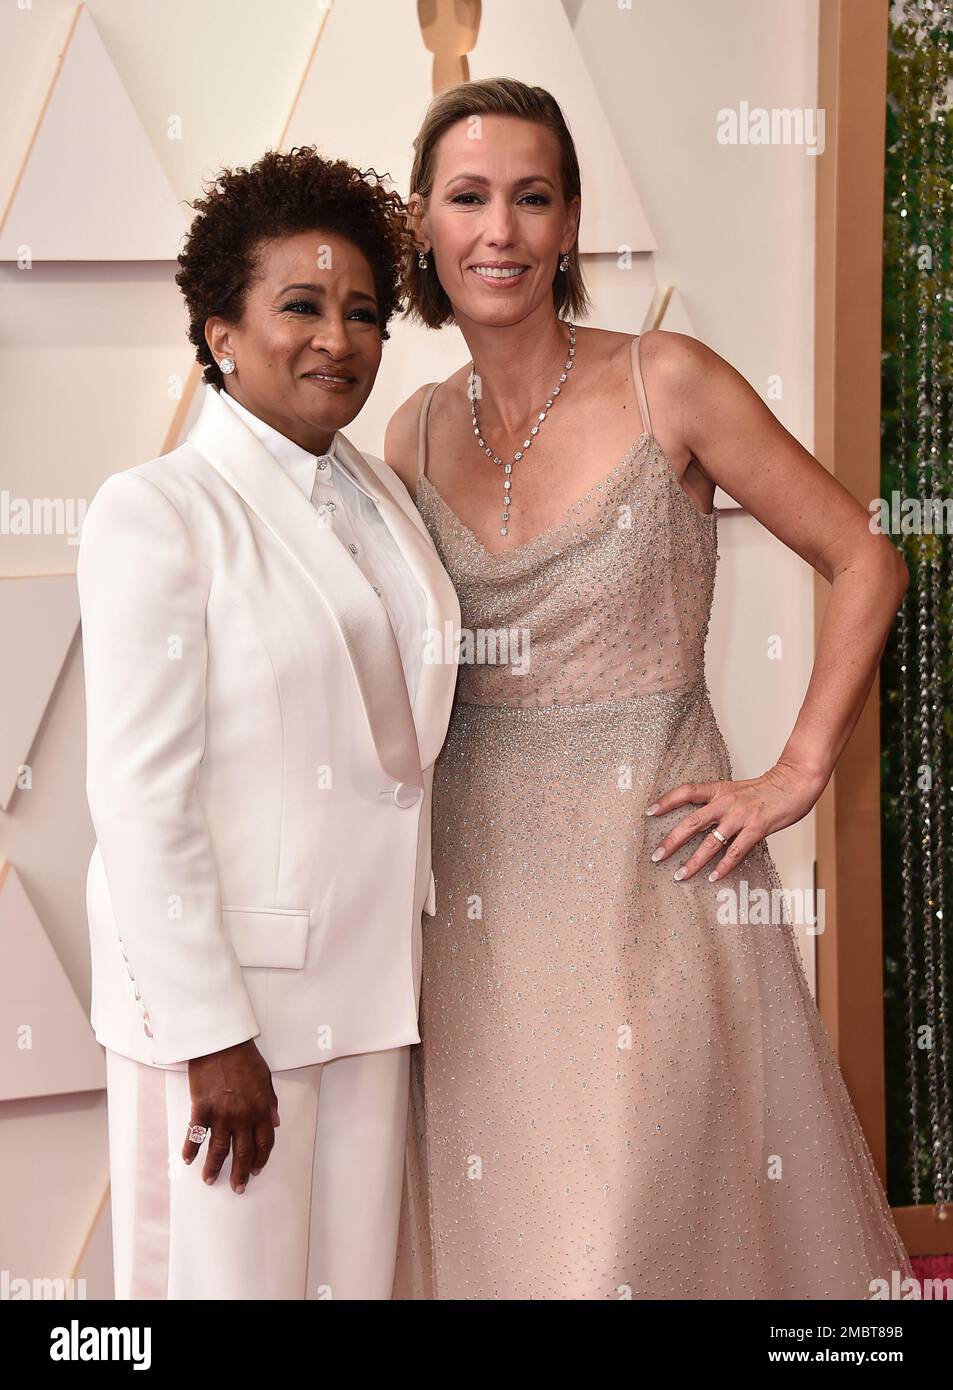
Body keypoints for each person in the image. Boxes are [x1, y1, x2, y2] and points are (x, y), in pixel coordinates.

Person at [384, 78, 916, 1299]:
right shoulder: (408, 431)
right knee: (512, 1244)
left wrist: (796, 771)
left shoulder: (664, 381)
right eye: (468, 198)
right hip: (474, 912)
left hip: (657, 888)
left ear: (570, 223)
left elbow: (864, 558)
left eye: (531, 198)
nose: (499, 231)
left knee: (627, 1243)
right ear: (424, 223)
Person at [77, 146, 460, 1299]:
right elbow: (139, 798)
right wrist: (208, 1031)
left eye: (360, 313)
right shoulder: (157, 512)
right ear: (219, 332)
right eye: (299, 306)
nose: (336, 339)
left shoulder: (380, 492)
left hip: (369, 994)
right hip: (231, 1019)